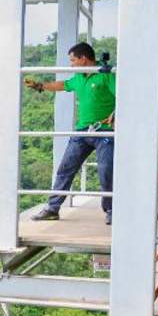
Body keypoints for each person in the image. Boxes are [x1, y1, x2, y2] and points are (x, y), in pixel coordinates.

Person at [23, 42, 117, 224]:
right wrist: (40, 85)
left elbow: (122, 94)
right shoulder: (79, 77)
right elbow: (63, 85)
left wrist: (116, 113)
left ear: (83, 59)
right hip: (82, 130)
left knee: (106, 171)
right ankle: (52, 208)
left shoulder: (106, 75)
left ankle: (111, 210)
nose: (71, 64)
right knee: (65, 168)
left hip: (104, 131)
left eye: (73, 60)